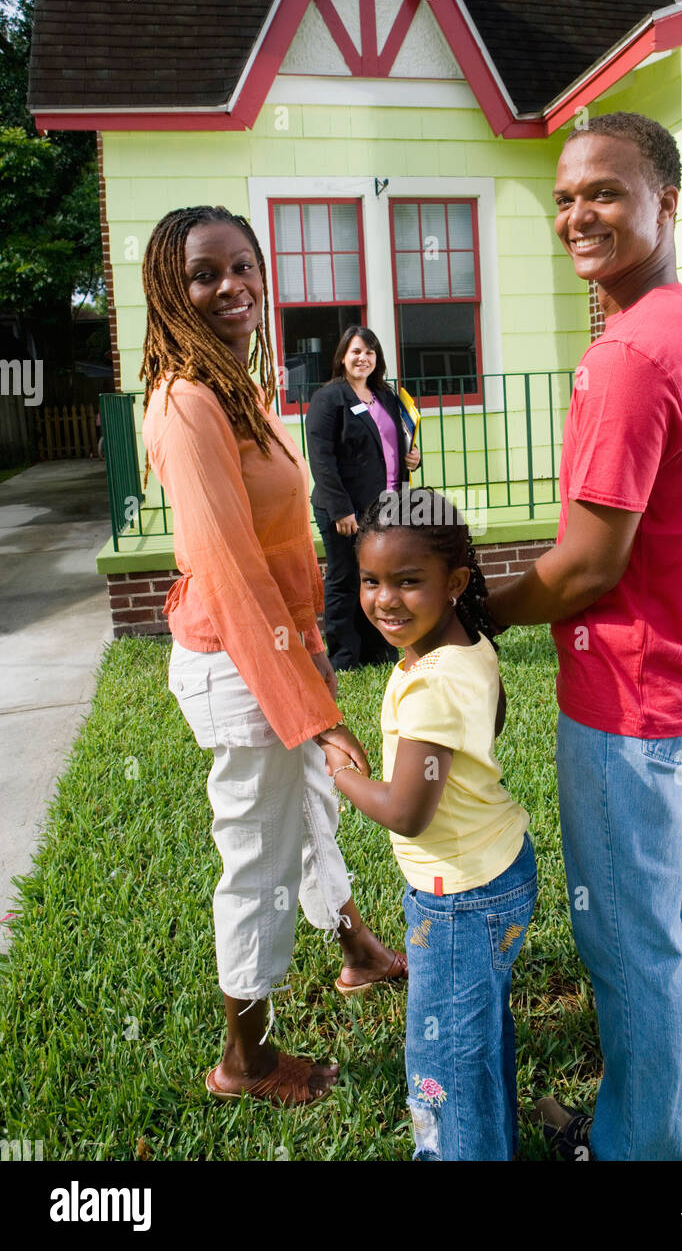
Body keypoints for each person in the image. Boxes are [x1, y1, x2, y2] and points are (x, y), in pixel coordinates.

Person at [488, 113, 682, 1162]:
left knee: (621, 930)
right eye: (563, 196)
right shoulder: (675, 319)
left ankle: (644, 1146)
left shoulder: (627, 357)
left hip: (624, 692)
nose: (575, 213)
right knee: (657, 870)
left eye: (603, 191)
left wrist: (472, 608)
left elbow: (586, 566)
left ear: (665, 201)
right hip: (677, 669)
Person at [140, 206, 407, 1108]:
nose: (232, 287)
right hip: (237, 666)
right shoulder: (186, 402)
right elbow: (233, 576)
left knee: (314, 814)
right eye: (205, 274)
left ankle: (356, 947)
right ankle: (244, 1062)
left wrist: (319, 662)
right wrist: (318, 715)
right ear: (171, 293)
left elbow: (282, 553)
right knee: (257, 852)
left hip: (287, 652)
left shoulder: (240, 389)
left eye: (243, 267)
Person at [319, 486, 537, 1161]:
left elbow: (408, 812)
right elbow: (486, 725)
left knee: (441, 1070)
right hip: (499, 870)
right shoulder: (467, 647)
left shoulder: (430, 684)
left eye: (408, 582)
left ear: (456, 582)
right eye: (371, 580)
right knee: (478, 1048)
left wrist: (341, 771)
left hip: (458, 903)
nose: (385, 599)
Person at [305, 327, 420, 669]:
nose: (362, 358)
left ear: (376, 359)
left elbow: (394, 442)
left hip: (385, 506)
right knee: (346, 578)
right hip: (345, 509)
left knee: (379, 577)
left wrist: (413, 458)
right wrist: (342, 510)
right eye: (356, 351)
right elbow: (321, 459)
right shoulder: (329, 399)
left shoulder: (383, 395)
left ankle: (379, 650)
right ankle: (344, 657)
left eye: (369, 352)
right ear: (343, 356)